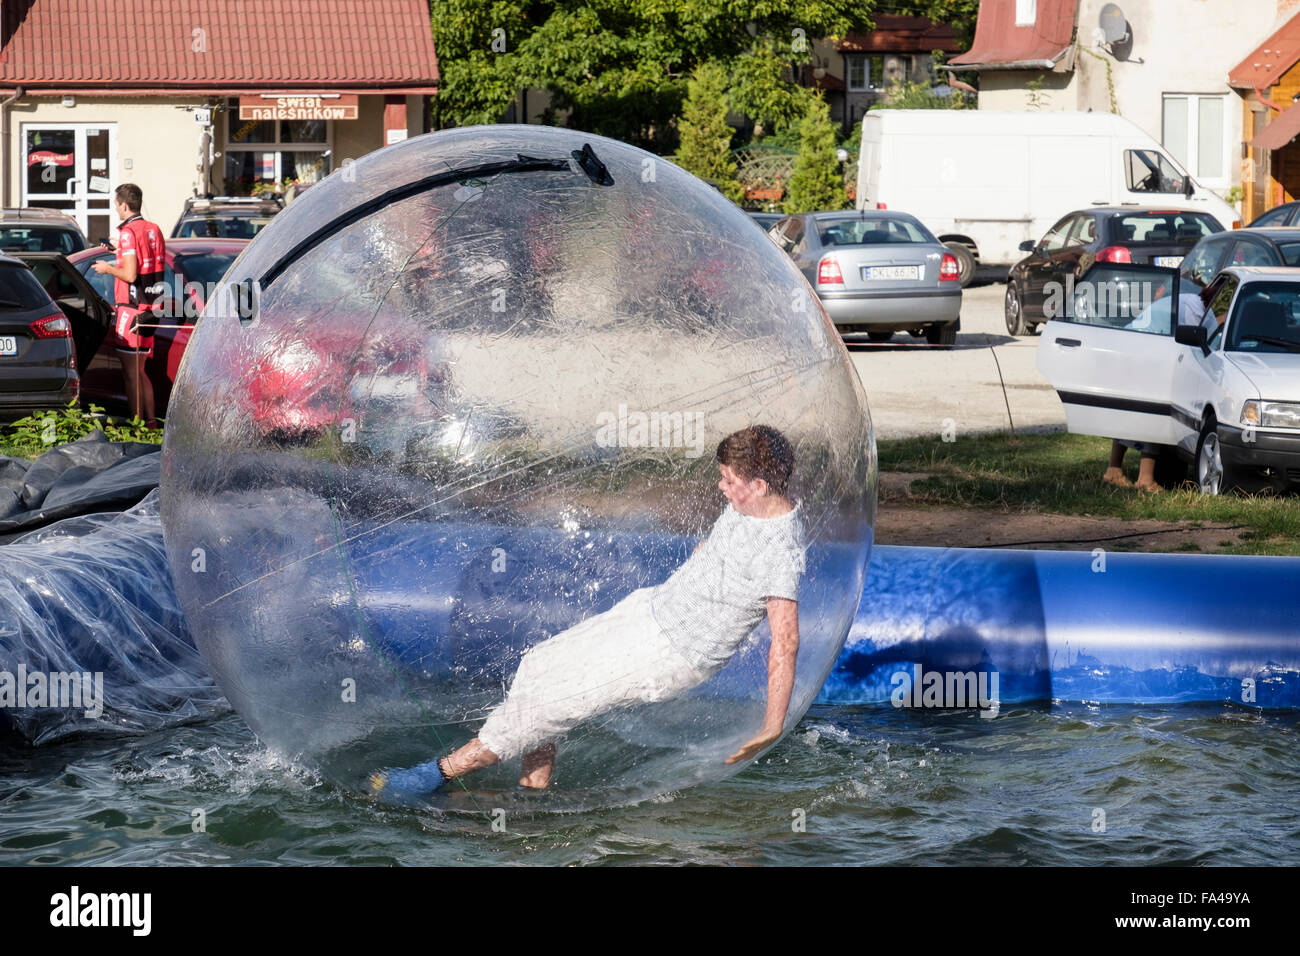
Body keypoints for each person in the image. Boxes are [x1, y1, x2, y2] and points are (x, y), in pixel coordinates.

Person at [370, 424, 807, 799]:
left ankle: (435, 775)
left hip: (671, 654)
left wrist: (771, 726)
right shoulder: (750, 507)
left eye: (729, 481)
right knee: (541, 665)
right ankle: (532, 792)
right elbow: (723, 551)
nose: (721, 487)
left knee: (547, 705)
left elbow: (785, 642)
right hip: (652, 612)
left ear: (760, 486)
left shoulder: (780, 551)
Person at [1106, 287, 1217, 490]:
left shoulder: (1189, 300)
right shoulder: (1201, 313)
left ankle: (1114, 470)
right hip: (1148, 355)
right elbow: (1199, 348)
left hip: (1131, 347)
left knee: (1128, 412)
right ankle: (1145, 479)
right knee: (1155, 414)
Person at [92, 183, 166, 429]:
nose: (116, 208)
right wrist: (118, 252)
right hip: (152, 307)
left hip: (132, 308)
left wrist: (107, 268)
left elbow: (131, 275)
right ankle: (152, 421)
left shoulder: (127, 232)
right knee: (141, 371)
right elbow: (142, 262)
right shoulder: (153, 229)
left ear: (124, 205)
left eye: (115, 204)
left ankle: (137, 425)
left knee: (130, 373)